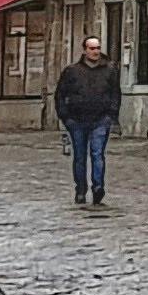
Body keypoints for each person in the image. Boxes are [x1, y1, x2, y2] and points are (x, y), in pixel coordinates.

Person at [54, 40, 120, 209]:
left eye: (98, 48)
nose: (95, 51)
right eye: (92, 48)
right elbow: (60, 94)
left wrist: (111, 115)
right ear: (85, 50)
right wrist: (65, 117)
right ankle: (81, 189)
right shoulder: (72, 71)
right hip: (77, 120)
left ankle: (98, 187)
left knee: (97, 154)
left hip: (100, 119)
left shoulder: (109, 71)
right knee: (80, 156)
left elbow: (115, 94)